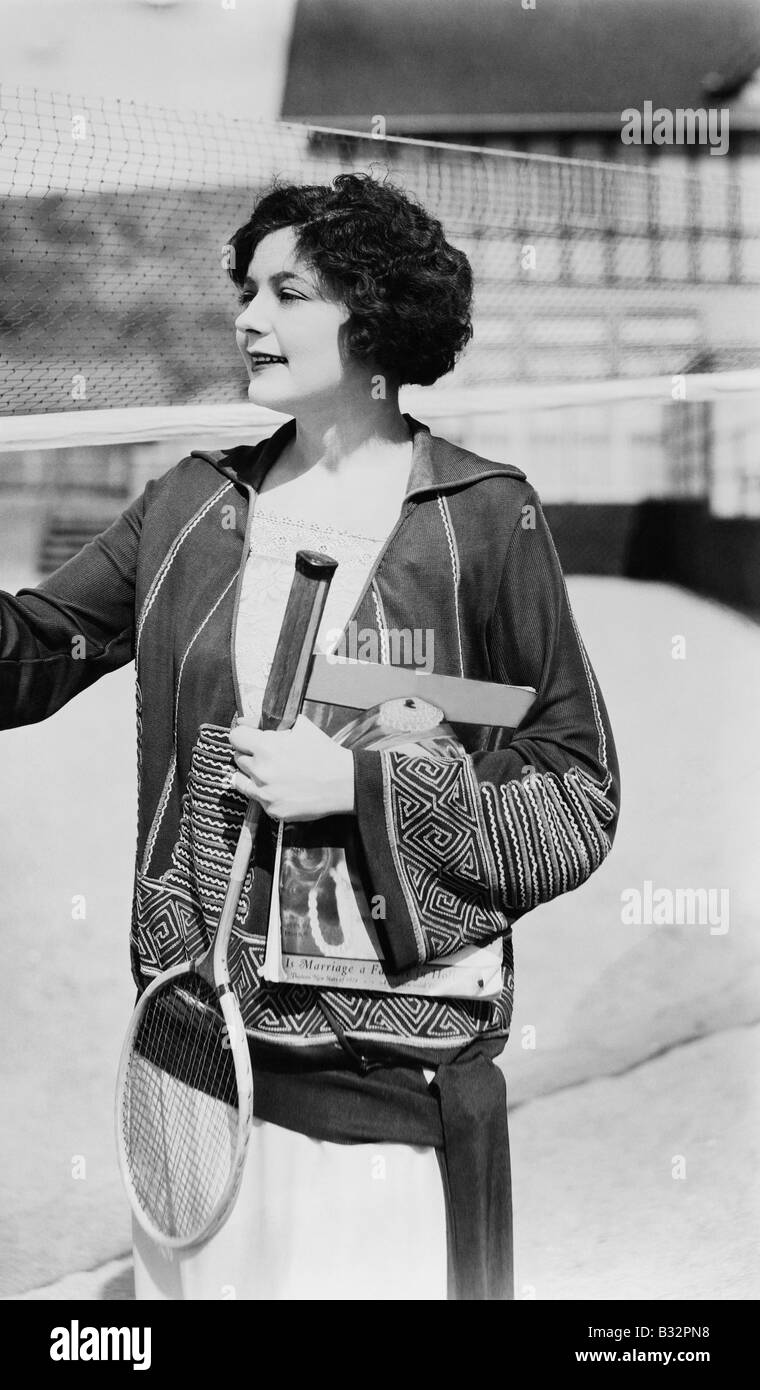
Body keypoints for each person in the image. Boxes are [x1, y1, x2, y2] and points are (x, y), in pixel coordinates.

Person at [0, 172, 620, 1301]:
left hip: (381, 1083)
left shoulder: (485, 517)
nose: (247, 315)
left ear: (374, 313)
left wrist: (355, 783)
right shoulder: (191, 502)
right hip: (191, 1044)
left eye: (287, 290)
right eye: (245, 288)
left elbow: (575, 788)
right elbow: (32, 654)